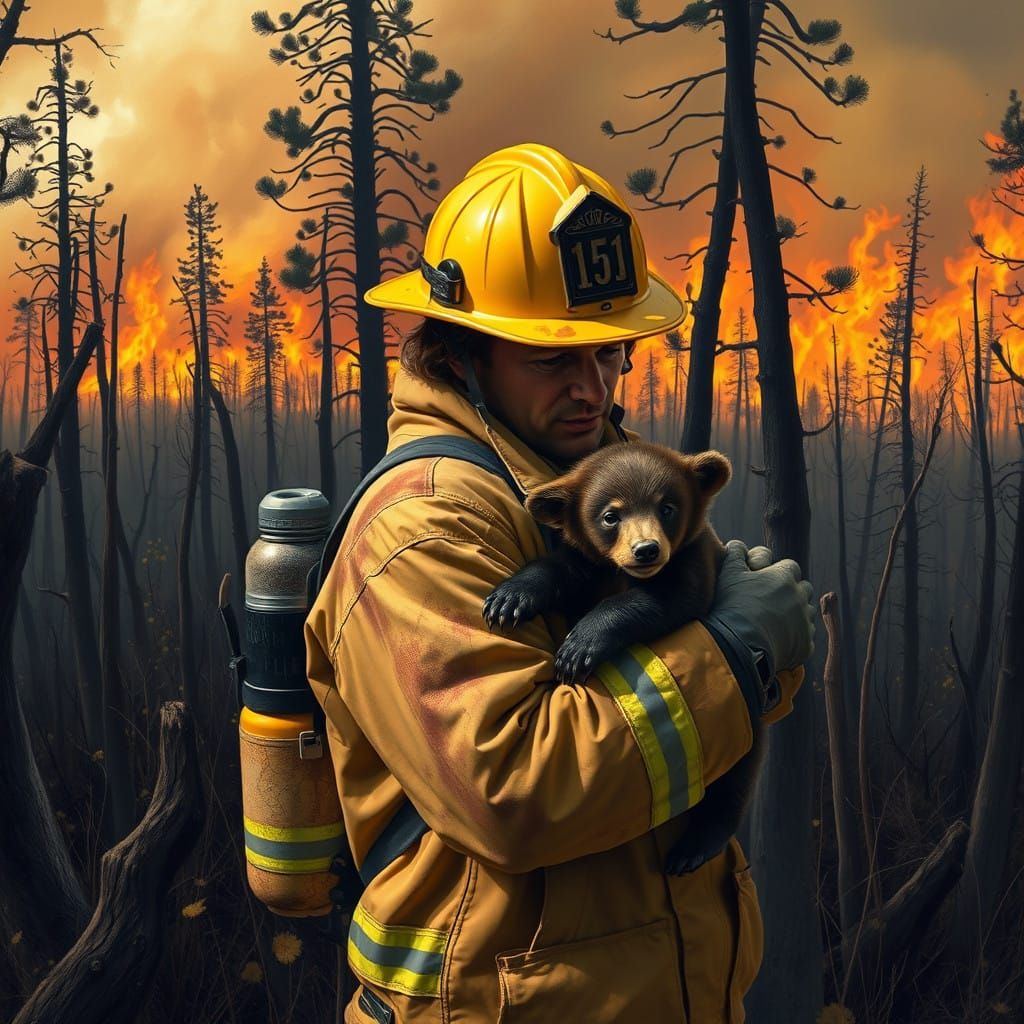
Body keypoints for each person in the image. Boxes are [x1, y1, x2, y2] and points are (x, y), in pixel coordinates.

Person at [305, 143, 815, 1024]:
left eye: (607, 355)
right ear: (463, 353)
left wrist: (752, 651)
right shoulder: (423, 528)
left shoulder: (595, 474)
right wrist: (738, 655)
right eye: (552, 360)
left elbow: (726, 686)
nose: (592, 388)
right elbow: (516, 791)